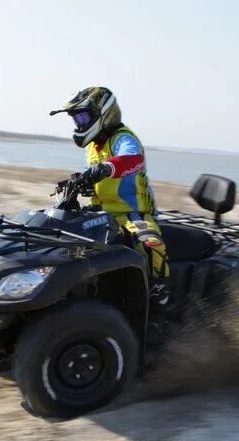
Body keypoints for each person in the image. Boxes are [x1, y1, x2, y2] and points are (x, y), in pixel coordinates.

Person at [50, 86, 171, 319]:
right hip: (102, 214)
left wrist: (105, 168)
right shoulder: (95, 146)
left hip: (133, 213)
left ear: (104, 114)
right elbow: (94, 173)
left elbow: (131, 160)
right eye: (76, 119)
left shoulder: (123, 138)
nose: (79, 123)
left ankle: (159, 299)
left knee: (151, 244)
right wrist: (80, 181)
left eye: (83, 116)